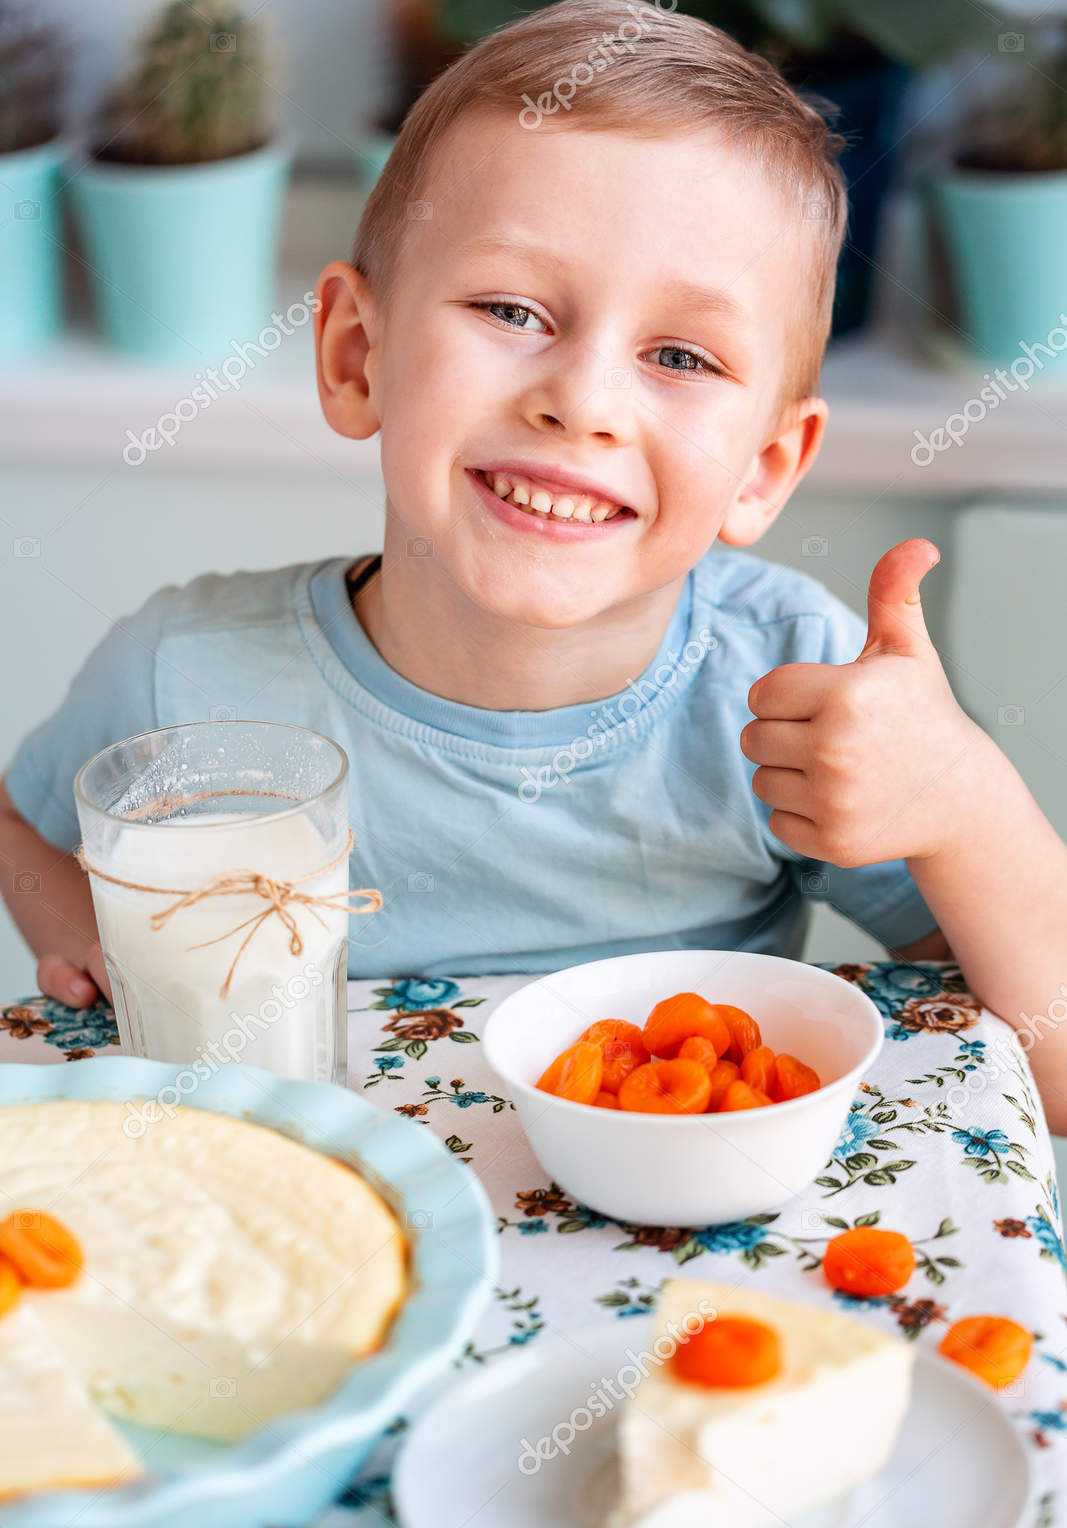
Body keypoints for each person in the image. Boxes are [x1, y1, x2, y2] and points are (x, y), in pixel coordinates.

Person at [2, 0, 1065, 1132]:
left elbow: (1048, 1078)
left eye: (677, 354)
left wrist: (961, 803)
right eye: (510, 308)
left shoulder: (786, 683)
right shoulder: (185, 674)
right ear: (358, 357)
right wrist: (67, 908)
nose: (582, 401)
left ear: (762, 467)